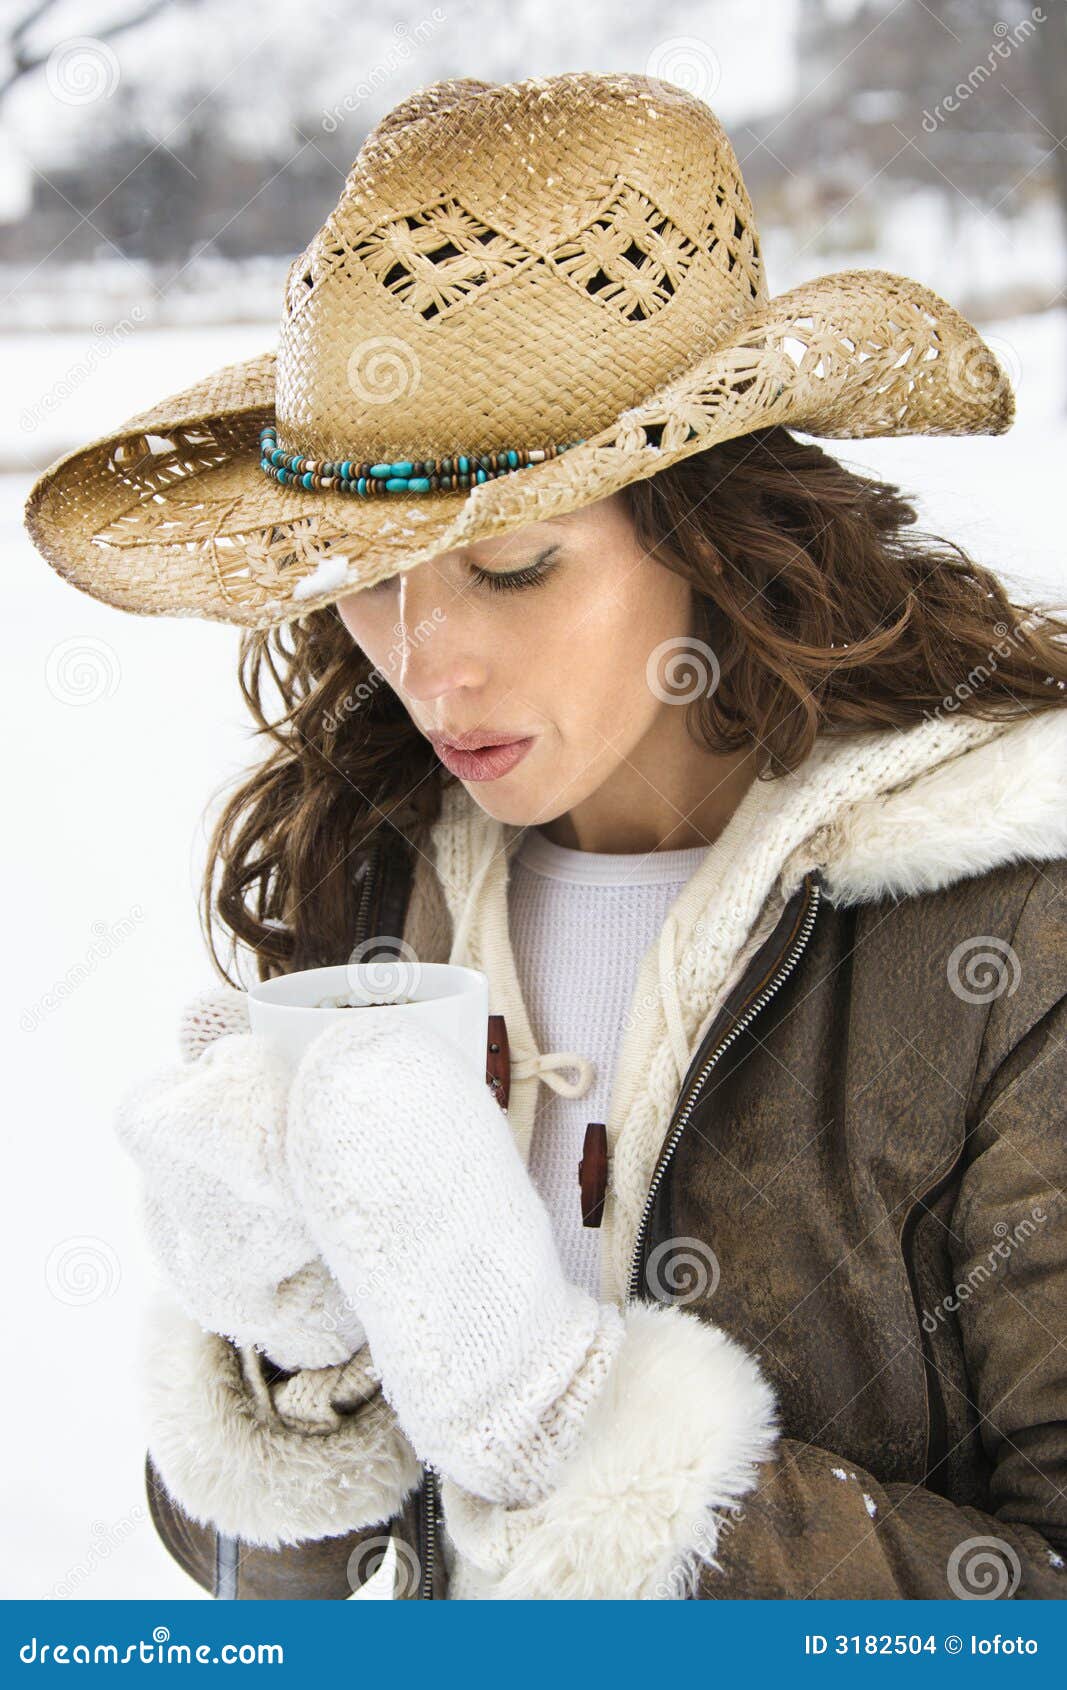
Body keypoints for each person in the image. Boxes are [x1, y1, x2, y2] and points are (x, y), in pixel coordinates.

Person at [23, 71, 1067, 1602]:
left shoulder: (1009, 936)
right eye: (371, 574)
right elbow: (276, 1598)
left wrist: (572, 1424)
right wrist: (291, 1353)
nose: (428, 663)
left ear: (715, 520)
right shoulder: (379, 872)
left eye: (512, 562)